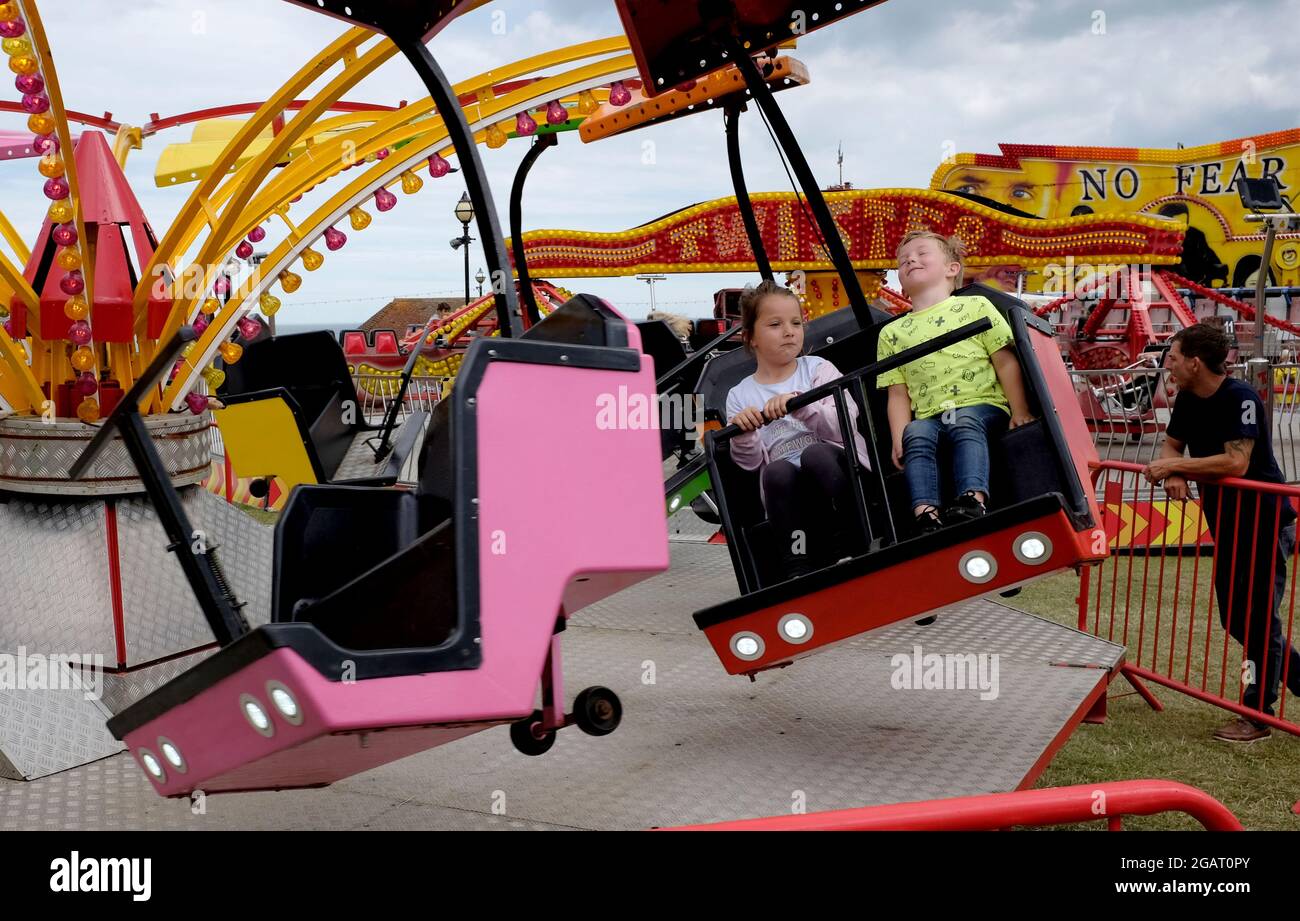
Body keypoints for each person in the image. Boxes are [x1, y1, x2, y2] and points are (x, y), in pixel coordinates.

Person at [1143, 323, 1300, 742]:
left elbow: (1236, 464)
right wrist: (1173, 465)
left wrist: (1175, 468)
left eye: (1173, 358)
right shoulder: (1189, 398)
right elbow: (1172, 445)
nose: (1168, 366)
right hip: (1227, 521)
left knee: (1259, 621)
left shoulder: (1242, 398)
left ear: (1195, 362)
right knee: (1236, 618)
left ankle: (1256, 714)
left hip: (1264, 521)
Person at [877, 230, 1035, 536]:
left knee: (963, 421)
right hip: (930, 415)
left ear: (952, 268)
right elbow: (897, 393)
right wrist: (899, 437)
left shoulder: (976, 306)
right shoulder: (892, 334)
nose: (911, 259)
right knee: (916, 432)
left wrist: (1019, 409)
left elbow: (1004, 360)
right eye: (903, 260)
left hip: (981, 405)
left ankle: (972, 499)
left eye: (922, 253)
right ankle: (926, 513)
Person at [725, 279, 871, 580]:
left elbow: (844, 423)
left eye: (796, 322)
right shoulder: (739, 395)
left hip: (837, 466)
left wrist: (801, 406)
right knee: (776, 471)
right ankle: (797, 559)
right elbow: (749, 462)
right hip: (790, 485)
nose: (789, 331)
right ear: (750, 336)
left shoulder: (818, 369)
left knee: (816, 454)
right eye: (775, 324)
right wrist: (744, 433)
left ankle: (847, 542)